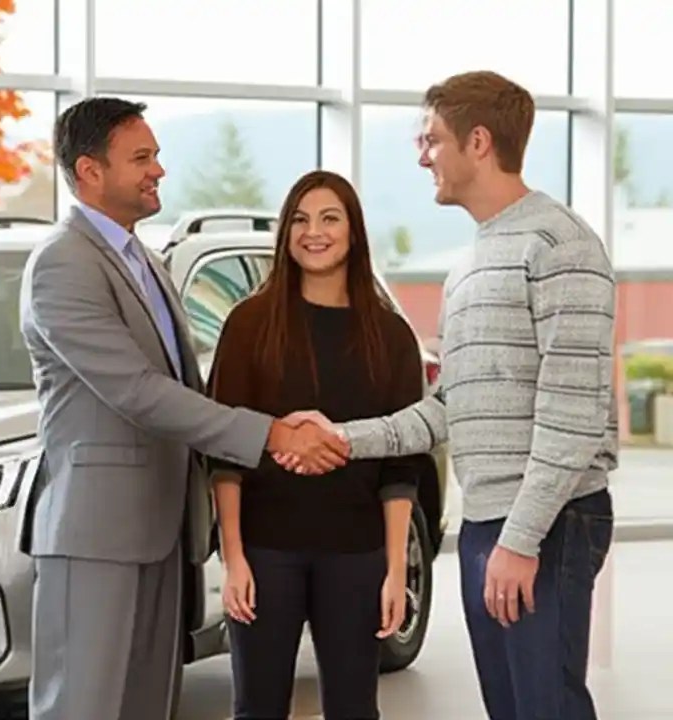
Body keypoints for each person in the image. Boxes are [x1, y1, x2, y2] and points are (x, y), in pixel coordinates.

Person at [278, 71, 618, 720]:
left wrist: (520, 540)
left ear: (478, 142)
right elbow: (445, 408)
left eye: (431, 139)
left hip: (548, 522)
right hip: (489, 520)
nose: (421, 155)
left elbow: (572, 416)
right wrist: (341, 436)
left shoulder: (560, 245)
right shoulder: (469, 264)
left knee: (546, 708)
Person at [18, 96, 349, 720]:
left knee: (148, 705)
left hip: (162, 529)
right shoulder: (63, 263)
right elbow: (138, 391)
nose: (158, 170)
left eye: (156, 155)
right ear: (90, 171)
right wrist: (273, 434)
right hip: (95, 535)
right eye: (141, 158)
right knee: (82, 707)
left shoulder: (144, 260)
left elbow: (183, 386)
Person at [208, 169, 433, 720]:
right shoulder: (248, 324)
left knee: (355, 709)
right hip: (265, 551)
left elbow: (400, 469)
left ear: (353, 232)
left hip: (356, 553)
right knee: (257, 708)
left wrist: (395, 571)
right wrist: (234, 559)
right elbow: (223, 453)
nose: (314, 232)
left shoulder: (391, 336)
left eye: (330, 218)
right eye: (300, 220)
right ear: (285, 233)